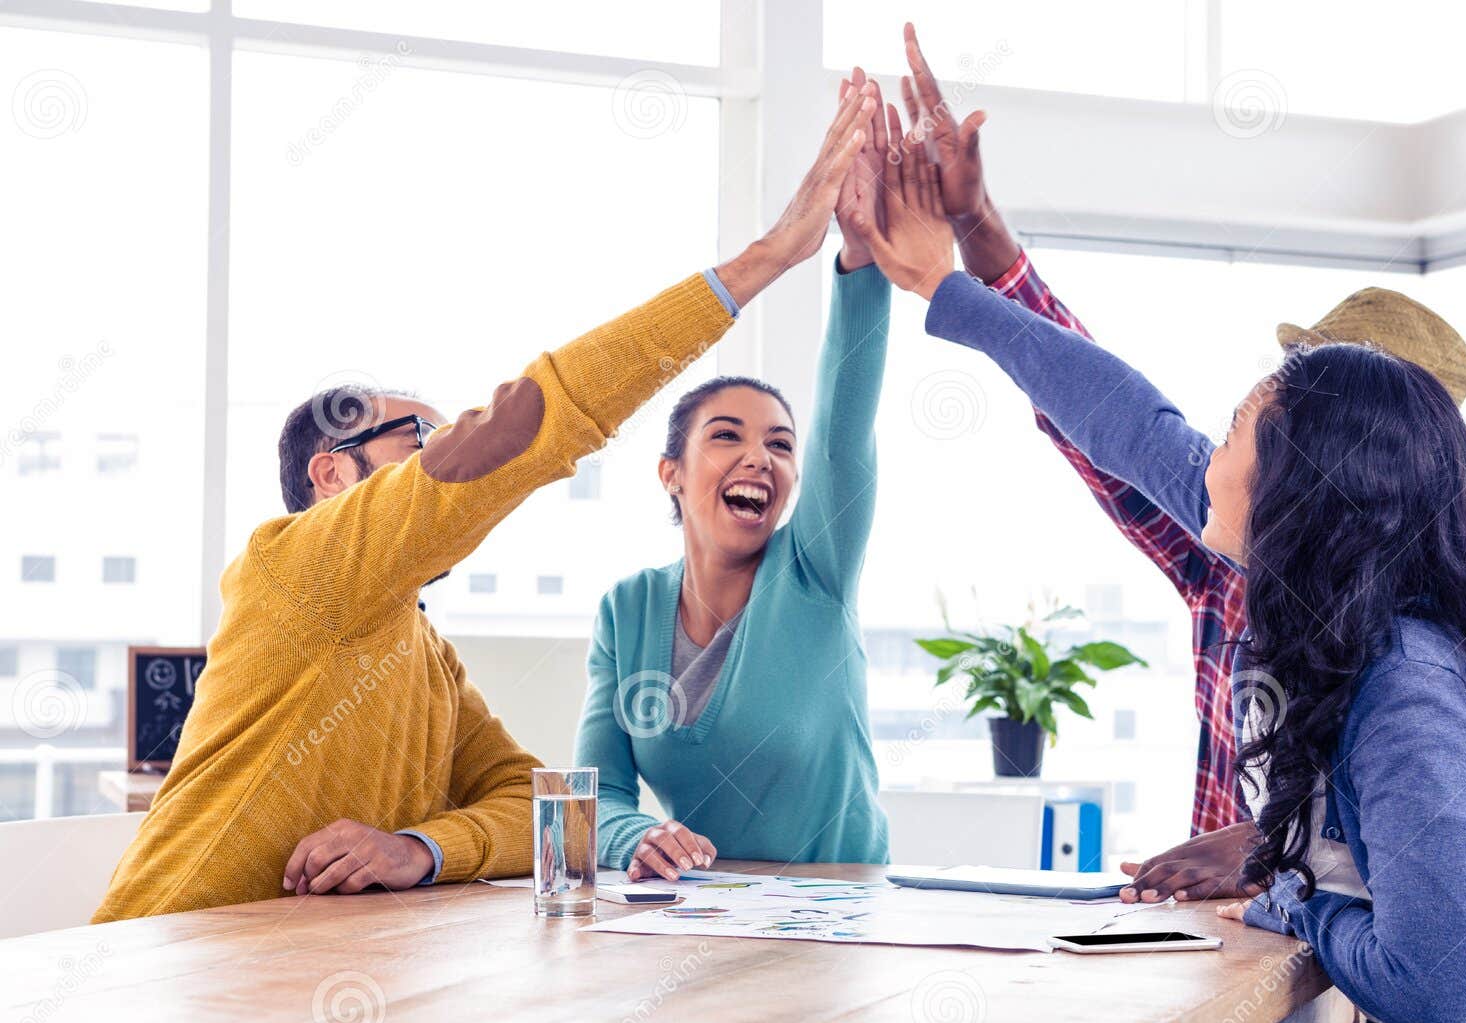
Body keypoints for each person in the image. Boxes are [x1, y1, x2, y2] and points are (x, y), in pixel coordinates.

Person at [858, 146, 1466, 1023]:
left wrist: (1281, 878)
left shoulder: (1410, 679)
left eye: (1248, 418)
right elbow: (1120, 416)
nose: (1209, 443)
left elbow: (1435, 980)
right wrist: (947, 280)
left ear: (1314, 469)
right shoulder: (1292, 561)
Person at [93, 85, 880, 921]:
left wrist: (419, 848)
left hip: (299, 983)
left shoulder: (424, 654)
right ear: (333, 477)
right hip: (167, 963)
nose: (446, 462)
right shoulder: (296, 564)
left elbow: (527, 802)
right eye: (420, 443)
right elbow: (530, 421)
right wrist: (764, 259)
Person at [892, 22, 1466, 904]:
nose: (1250, 445)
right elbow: (1103, 411)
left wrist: (1270, 842)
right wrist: (976, 229)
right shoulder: (1231, 538)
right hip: (1231, 964)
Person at [577, 75, 895, 882]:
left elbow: (844, 429)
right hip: (710, 916)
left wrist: (860, 258)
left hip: (848, 916)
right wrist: (631, 839)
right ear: (671, 474)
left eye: (780, 446)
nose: (761, 457)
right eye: (728, 436)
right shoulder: (627, 611)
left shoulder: (815, 569)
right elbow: (601, 792)